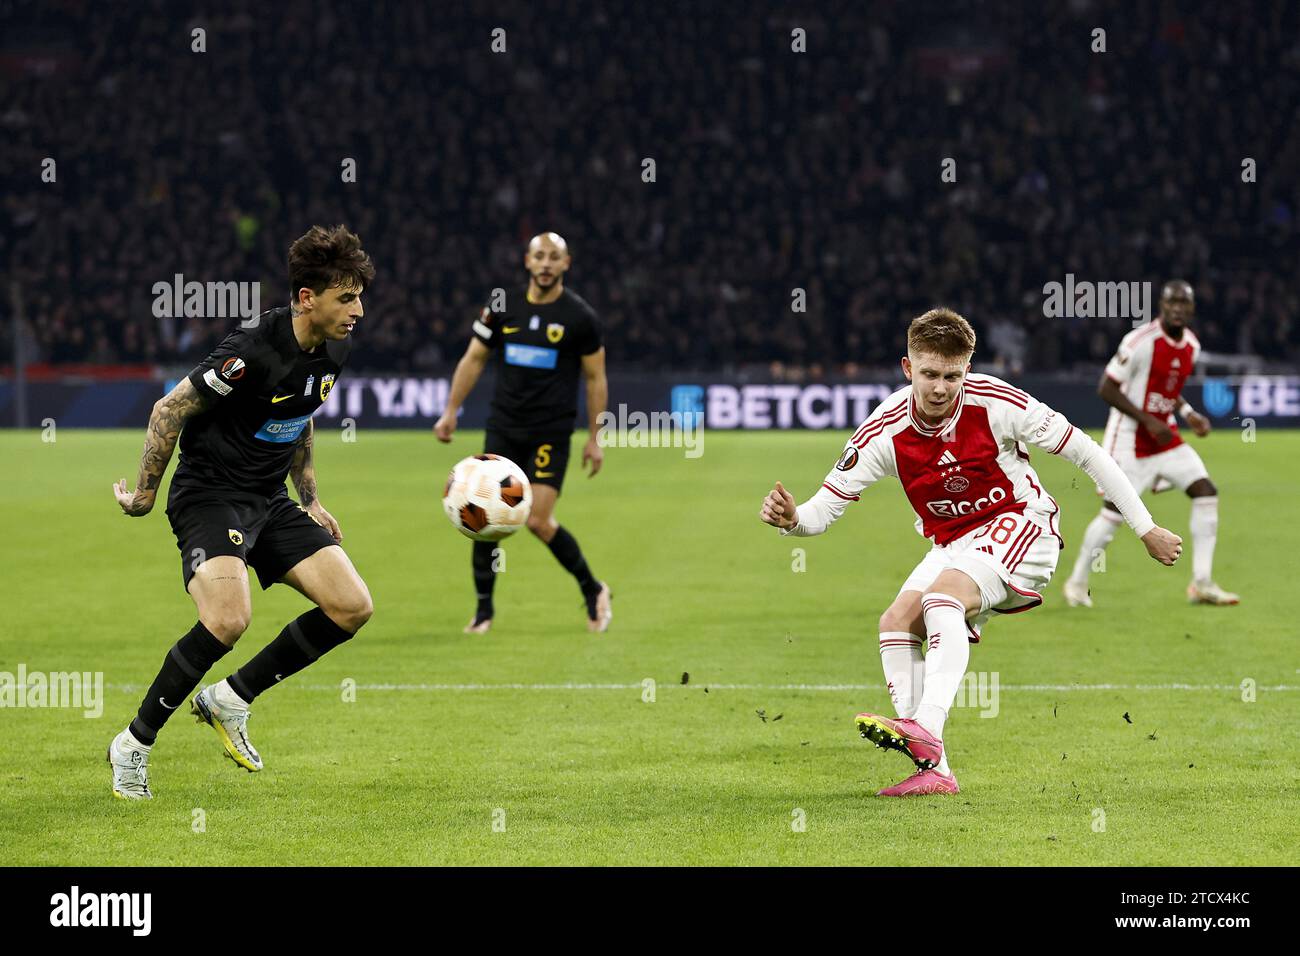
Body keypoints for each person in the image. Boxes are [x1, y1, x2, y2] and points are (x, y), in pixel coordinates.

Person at [758, 308, 1182, 797]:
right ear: (907, 368)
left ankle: (926, 729)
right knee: (896, 622)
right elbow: (823, 510)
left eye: (953, 376)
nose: (941, 388)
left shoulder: (997, 402)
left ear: (968, 369)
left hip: (1023, 525)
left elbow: (1087, 452)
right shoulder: (884, 431)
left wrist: (1145, 527)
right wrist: (792, 520)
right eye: (930, 375)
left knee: (943, 600)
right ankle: (934, 771)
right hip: (955, 541)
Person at [107, 224, 375, 799]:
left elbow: (299, 416)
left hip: (269, 499)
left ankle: (229, 699)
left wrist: (311, 498)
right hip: (209, 494)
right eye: (346, 297)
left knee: (352, 606)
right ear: (308, 298)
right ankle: (133, 744)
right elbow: (169, 408)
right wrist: (147, 493)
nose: (358, 309)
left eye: (358, 296)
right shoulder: (252, 349)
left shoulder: (337, 348)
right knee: (228, 618)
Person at [434, 232, 612, 634]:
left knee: (538, 521)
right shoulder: (502, 305)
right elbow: (474, 358)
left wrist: (595, 437)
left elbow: (595, 377)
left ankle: (593, 588)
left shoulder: (581, 318)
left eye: (554, 257)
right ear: (527, 262)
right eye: (539, 257)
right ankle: (483, 613)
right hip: (504, 429)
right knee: (480, 520)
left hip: (551, 432)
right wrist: (450, 411)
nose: (546, 264)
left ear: (566, 264)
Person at [1063, 280, 1238, 607]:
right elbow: (1107, 388)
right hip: (1130, 439)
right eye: (1171, 303)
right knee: (1113, 515)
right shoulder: (1140, 341)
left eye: (1183, 304)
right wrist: (1147, 420)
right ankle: (1076, 582)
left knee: (1205, 491)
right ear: (1161, 305)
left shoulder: (1192, 346)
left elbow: (1167, 390)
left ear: (1191, 309)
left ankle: (1201, 583)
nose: (1176, 309)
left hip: (1164, 438)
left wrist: (1189, 413)